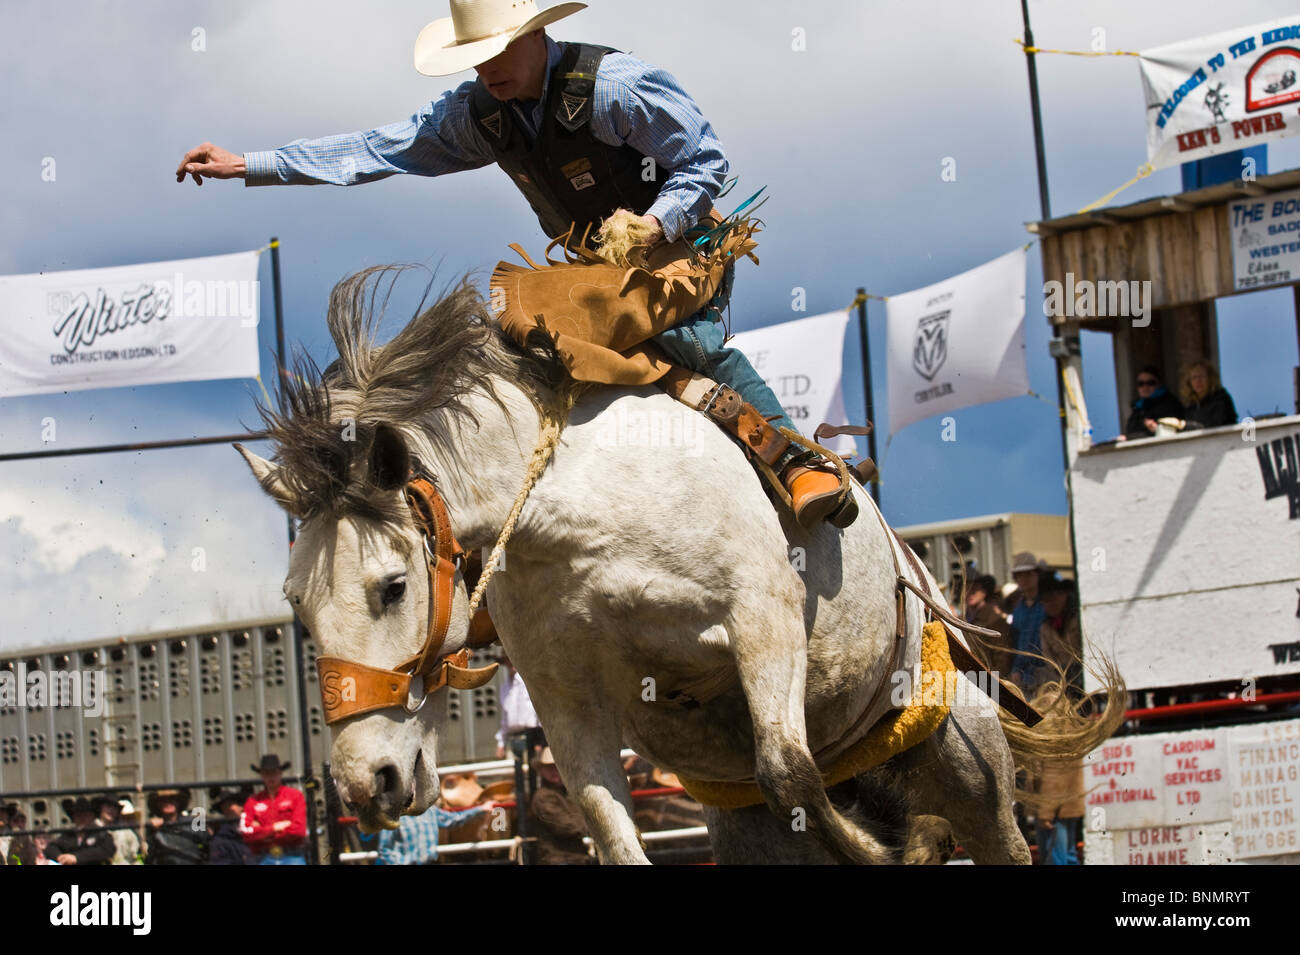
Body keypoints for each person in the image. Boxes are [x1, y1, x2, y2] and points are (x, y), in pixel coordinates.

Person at [173, 0, 855, 528]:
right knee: (505, 342)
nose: (486, 70)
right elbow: (379, 148)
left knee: (674, 339)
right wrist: (249, 165)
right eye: (474, 58)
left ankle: (798, 459)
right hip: (589, 270)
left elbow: (707, 160)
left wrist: (655, 223)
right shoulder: (477, 117)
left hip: (686, 246)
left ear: (535, 36)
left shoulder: (616, 90)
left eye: (496, 50)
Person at [240, 754, 308, 864]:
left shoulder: (295, 796)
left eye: (274, 772)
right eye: (267, 773)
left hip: (291, 853)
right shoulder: (252, 801)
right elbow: (246, 833)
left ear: (280, 773)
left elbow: (298, 830)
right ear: (262, 775)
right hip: (263, 855)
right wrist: (275, 827)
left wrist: (262, 832)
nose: (271, 777)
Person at [527, 747, 590, 864]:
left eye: (558, 766)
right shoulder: (543, 798)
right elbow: (567, 826)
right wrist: (594, 825)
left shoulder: (566, 794)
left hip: (572, 858)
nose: (555, 771)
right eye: (550, 767)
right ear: (541, 770)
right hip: (558, 859)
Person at [376, 801, 490, 865]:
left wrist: (481, 809)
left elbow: (454, 819)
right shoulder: (393, 815)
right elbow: (384, 849)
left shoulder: (430, 811)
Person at [1005, 553, 1048, 689]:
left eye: (1028, 574)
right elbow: (1017, 644)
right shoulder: (1018, 610)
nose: (1024, 579)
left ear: (1037, 575)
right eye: (1020, 575)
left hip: (1048, 672)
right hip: (1024, 677)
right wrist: (1015, 670)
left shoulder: (1047, 605)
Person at [964, 575, 1014, 676]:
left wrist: (995, 682)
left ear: (984, 593)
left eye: (974, 590)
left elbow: (1002, 655)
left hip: (988, 676)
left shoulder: (995, 619)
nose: (970, 594)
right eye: (966, 590)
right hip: (968, 676)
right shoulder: (961, 619)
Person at [145, 789, 207, 865]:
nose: (167, 803)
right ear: (158, 804)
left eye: (171, 799)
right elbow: (149, 855)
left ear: (178, 802)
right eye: (163, 800)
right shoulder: (153, 828)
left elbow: (206, 848)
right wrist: (153, 831)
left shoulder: (192, 823)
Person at [1122, 365, 1185, 439]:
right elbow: (1131, 431)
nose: (1145, 387)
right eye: (1141, 384)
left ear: (1159, 384)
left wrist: (1156, 428)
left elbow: (1174, 428)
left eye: (1150, 383)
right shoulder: (1137, 410)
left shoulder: (1170, 404)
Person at [51, 797, 115, 866]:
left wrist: (76, 858)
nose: (82, 819)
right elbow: (51, 848)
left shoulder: (101, 834)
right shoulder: (68, 835)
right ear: (74, 818)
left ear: (92, 817)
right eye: (78, 816)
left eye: (85, 815)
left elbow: (106, 851)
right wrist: (59, 857)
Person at [1178, 359, 1237, 430]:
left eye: (1202, 376)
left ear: (1210, 379)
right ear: (1189, 382)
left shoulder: (1221, 399)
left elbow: (1214, 425)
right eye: (1194, 377)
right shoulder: (1190, 406)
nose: (1198, 381)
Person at [208, 789, 255, 865]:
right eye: (224, 807)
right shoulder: (221, 839)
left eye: (231, 804)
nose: (229, 809)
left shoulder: (256, 828)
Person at [95, 795, 141, 865]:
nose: (111, 810)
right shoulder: (92, 829)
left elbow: (136, 855)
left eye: (114, 807)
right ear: (101, 808)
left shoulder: (126, 832)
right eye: (108, 806)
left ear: (118, 811)